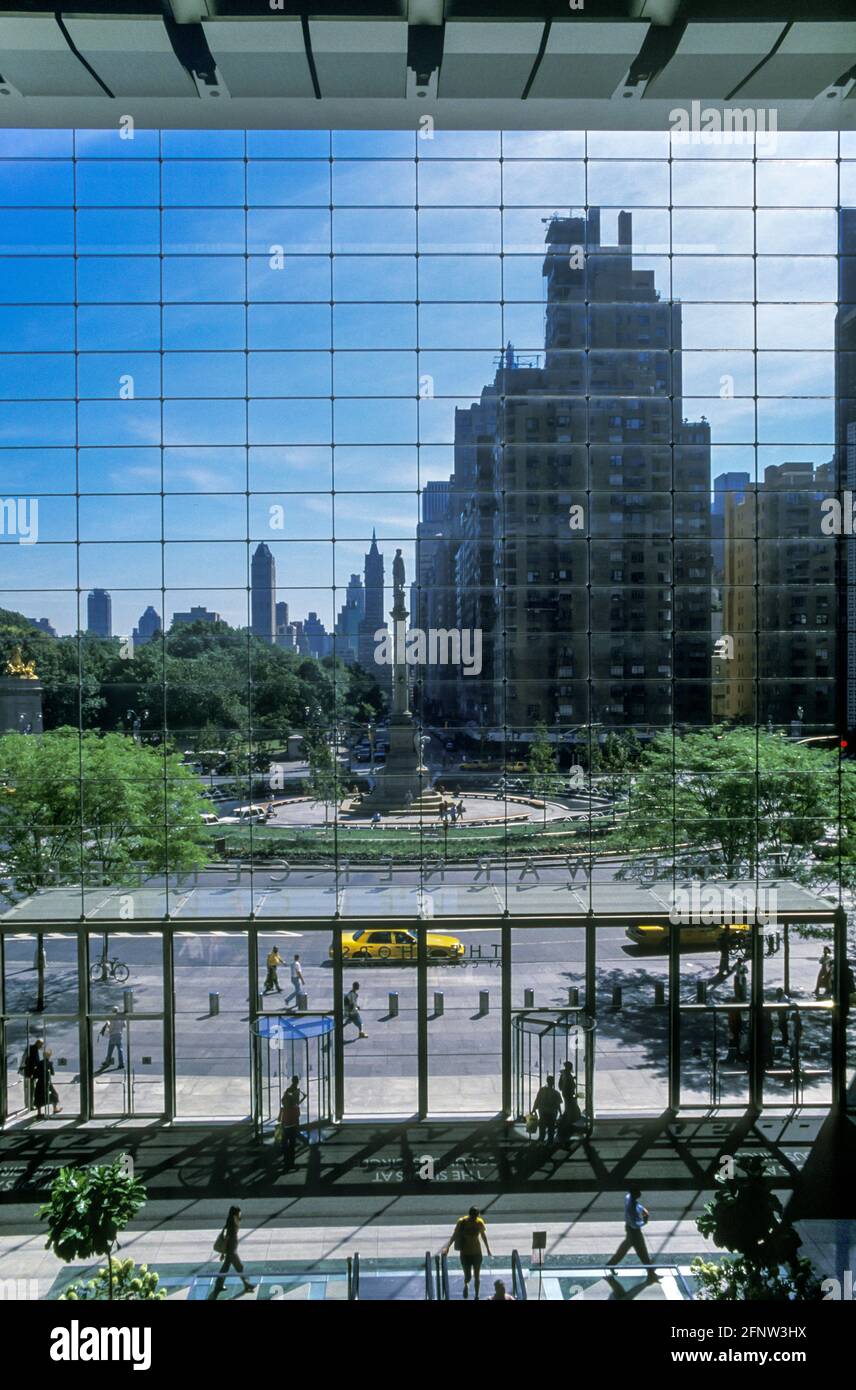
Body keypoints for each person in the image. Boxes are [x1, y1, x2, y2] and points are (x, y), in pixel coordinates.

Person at [608, 1184, 658, 1283]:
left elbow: (636, 1204)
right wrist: (644, 1221)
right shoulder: (632, 1209)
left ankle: (611, 1264)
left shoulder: (628, 1197)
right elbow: (635, 1224)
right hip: (634, 1232)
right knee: (642, 1251)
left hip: (629, 1229)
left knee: (624, 1249)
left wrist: (642, 1209)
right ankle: (651, 1272)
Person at [443, 1207, 492, 1300]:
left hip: (477, 1253)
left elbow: (483, 1235)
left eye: (476, 1217)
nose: (474, 1219)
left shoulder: (479, 1222)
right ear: (470, 1215)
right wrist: (448, 1247)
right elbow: (455, 1235)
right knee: (468, 1276)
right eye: (473, 1217)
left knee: (477, 1276)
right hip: (465, 1254)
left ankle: (476, 1295)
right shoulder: (462, 1222)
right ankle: (466, 1283)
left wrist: (488, 1248)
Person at [211, 1206, 255, 1298]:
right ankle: (246, 1284)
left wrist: (224, 1253)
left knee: (226, 1268)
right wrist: (224, 1252)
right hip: (232, 1251)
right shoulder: (231, 1223)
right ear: (235, 1214)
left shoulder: (234, 1220)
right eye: (239, 1212)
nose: (240, 1214)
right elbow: (227, 1238)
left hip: (232, 1249)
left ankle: (218, 1285)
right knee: (239, 1266)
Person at [278, 1074, 306, 1170]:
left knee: (286, 1142)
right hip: (292, 1121)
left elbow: (285, 1103)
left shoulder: (288, 1092)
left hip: (286, 1122)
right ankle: (291, 1162)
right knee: (292, 1143)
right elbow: (296, 1103)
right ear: (297, 1081)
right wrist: (303, 1098)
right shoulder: (295, 1093)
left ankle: (286, 1161)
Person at [532, 1074, 563, 1145]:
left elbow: (537, 1100)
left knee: (542, 1126)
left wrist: (533, 1109)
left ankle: (541, 1140)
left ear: (547, 1081)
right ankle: (550, 1142)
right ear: (553, 1083)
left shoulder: (542, 1090)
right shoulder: (556, 1093)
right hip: (552, 1113)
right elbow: (558, 1105)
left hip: (543, 1112)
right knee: (551, 1128)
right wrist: (560, 1113)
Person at [558, 1060, 582, 1139]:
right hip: (569, 1095)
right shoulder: (567, 1076)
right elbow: (568, 1086)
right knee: (572, 1111)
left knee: (569, 1110)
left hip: (567, 1095)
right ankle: (567, 1127)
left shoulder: (564, 1074)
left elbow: (561, 1085)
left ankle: (565, 1125)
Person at [34, 1047, 61, 1118]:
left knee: (39, 1097)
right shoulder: (49, 1063)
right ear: (49, 1056)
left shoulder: (39, 1063)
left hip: (40, 1083)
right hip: (47, 1082)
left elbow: (36, 1074)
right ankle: (55, 1109)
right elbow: (52, 1073)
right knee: (54, 1094)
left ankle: (39, 1113)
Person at [21, 1038, 44, 1111]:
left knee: (29, 1089)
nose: (41, 1046)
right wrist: (32, 1073)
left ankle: (28, 1105)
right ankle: (29, 1105)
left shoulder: (32, 1049)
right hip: (30, 1073)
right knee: (31, 1090)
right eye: (41, 1045)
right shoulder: (33, 1050)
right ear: (38, 1043)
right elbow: (31, 1062)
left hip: (29, 1073)